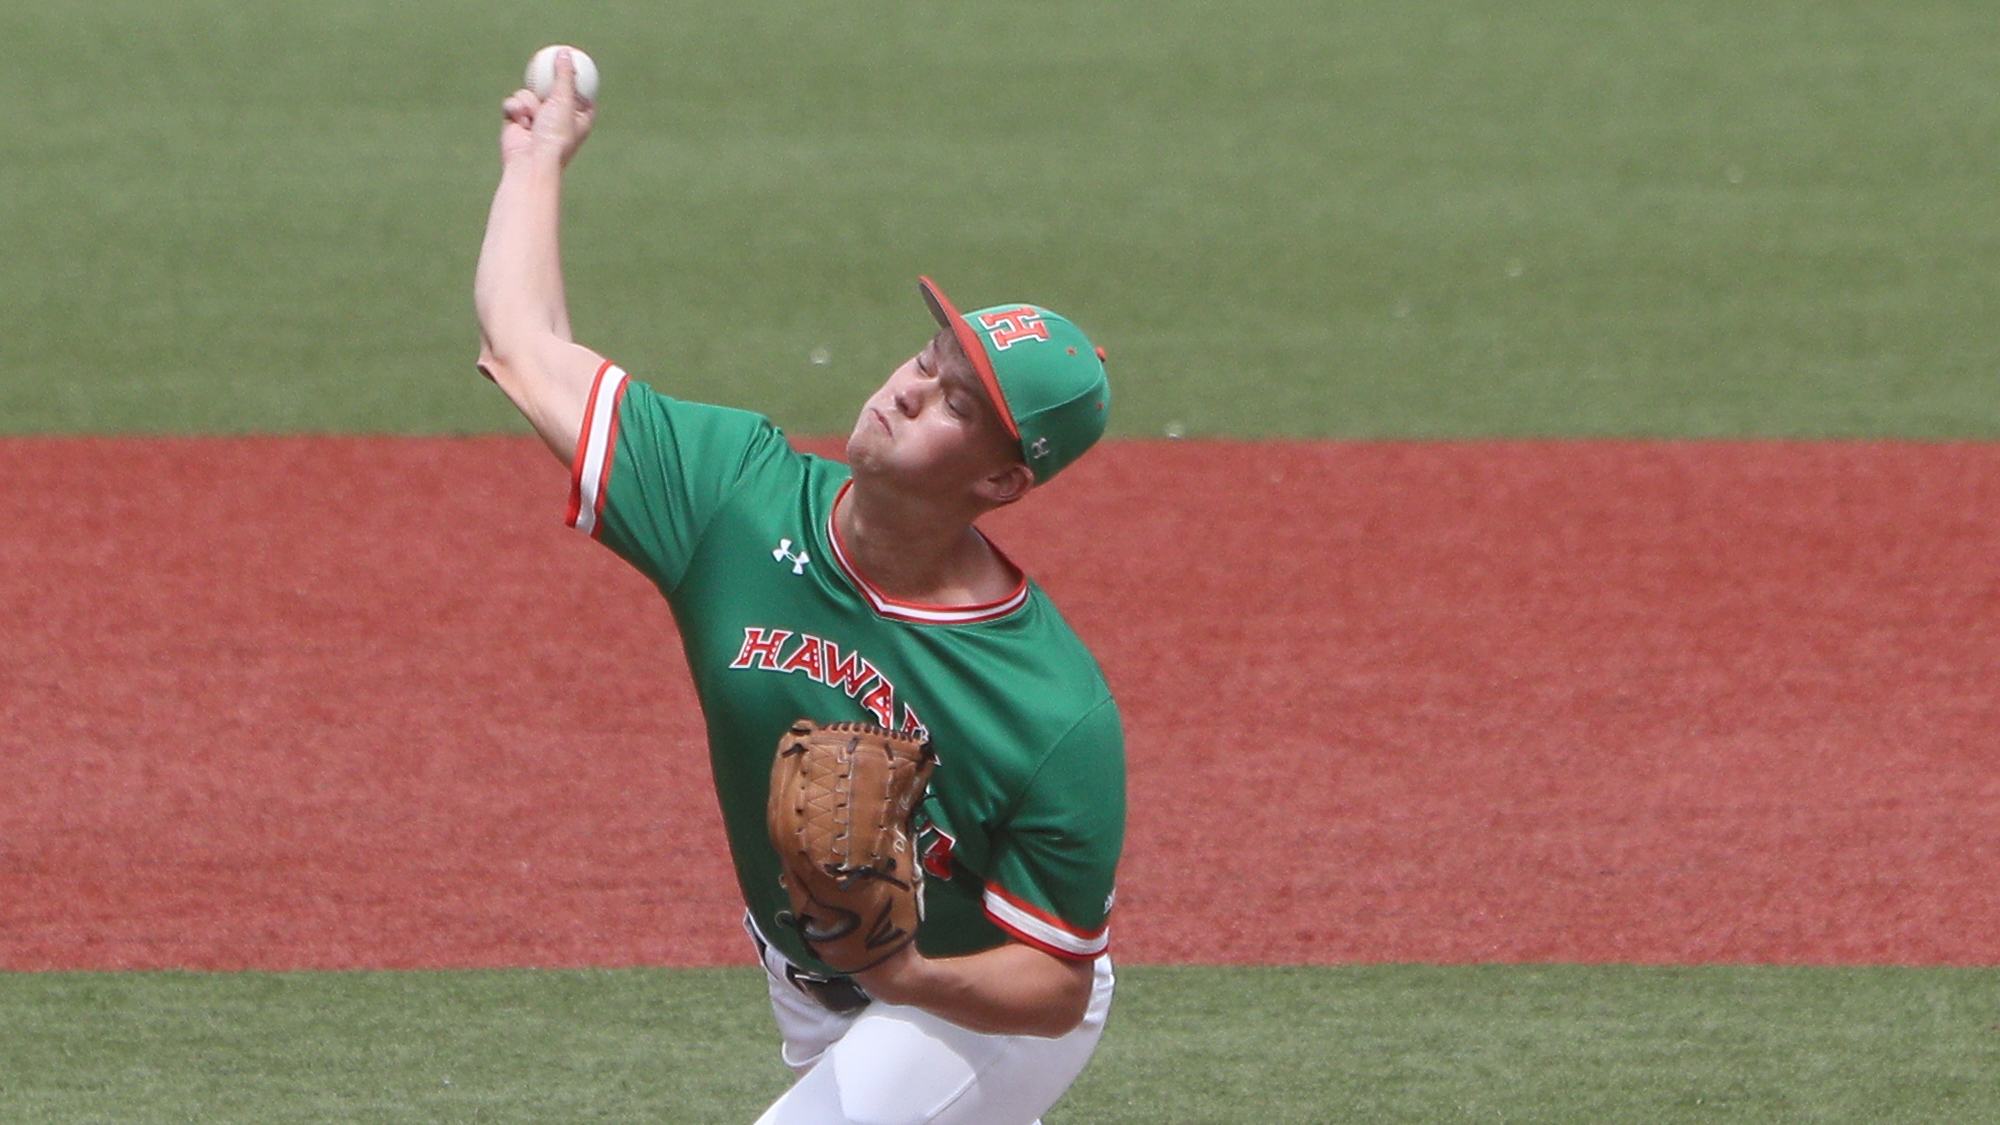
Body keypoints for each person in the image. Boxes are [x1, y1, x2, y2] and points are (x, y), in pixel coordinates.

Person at [473, 52, 1126, 1125]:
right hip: (813, 989)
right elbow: (523, 342)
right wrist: (537, 158)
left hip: (972, 1009)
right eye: (929, 358)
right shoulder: (733, 496)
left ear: (1004, 481)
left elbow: (1053, 986)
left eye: (957, 404)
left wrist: (909, 976)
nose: (912, 390)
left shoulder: (1050, 708)